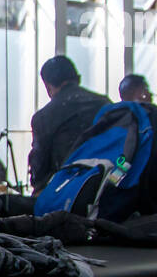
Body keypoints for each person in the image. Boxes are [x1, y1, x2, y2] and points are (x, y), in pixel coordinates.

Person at [27, 55, 110, 193]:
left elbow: (39, 169)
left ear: (48, 86)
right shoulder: (105, 104)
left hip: (66, 193)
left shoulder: (44, 117)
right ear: (78, 78)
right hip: (107, 186)